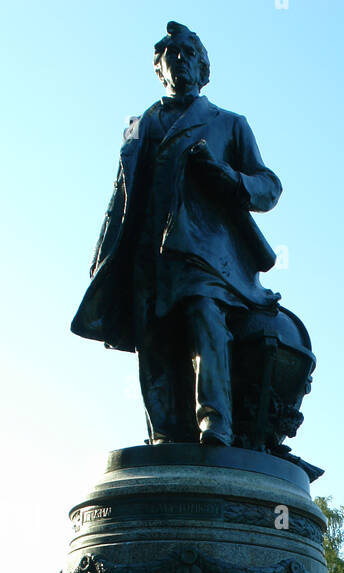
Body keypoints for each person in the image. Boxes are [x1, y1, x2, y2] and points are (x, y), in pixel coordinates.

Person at [72, 21, 283, 447]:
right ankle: (166, 436)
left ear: (204, 69)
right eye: (173, 55)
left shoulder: (229, 124)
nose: (182, 61)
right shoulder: (139, 126)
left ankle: (215, 423)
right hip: (145, 252)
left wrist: (229, 178)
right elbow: (120, 199)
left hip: (201, 248)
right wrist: (105, 254)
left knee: (204, 317)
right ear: (159, 69)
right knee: (153, 340)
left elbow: (269, 185)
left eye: (190, 55)